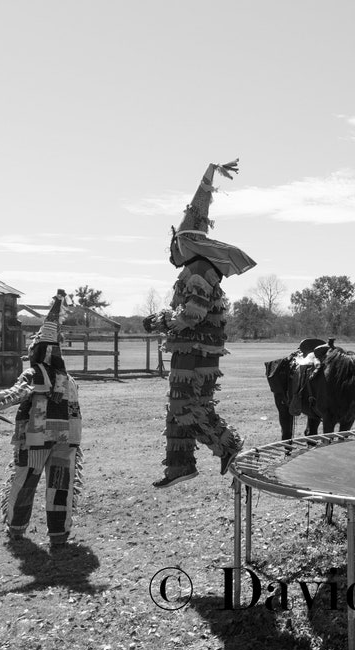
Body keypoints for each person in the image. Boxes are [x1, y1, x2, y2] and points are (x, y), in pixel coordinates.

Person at [145, 160, 256, 488]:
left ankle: (229, 446)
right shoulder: (200, 271)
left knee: (186, 406)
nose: (171, 250)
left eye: (174, 243)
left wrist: (162, 320)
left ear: (185, 243)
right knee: (179, 407)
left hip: (194, 353)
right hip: (197, 351)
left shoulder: (196, 272)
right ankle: (180, 464)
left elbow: (192, 314)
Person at [0, 290, 82, 548]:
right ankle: (59, 534)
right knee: (60, 486)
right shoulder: (68, 378)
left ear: (38, 350)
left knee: (25, 482)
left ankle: (16, 528)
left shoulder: (34, 374)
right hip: (67, 442)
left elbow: (13, 395)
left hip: (35, 441)